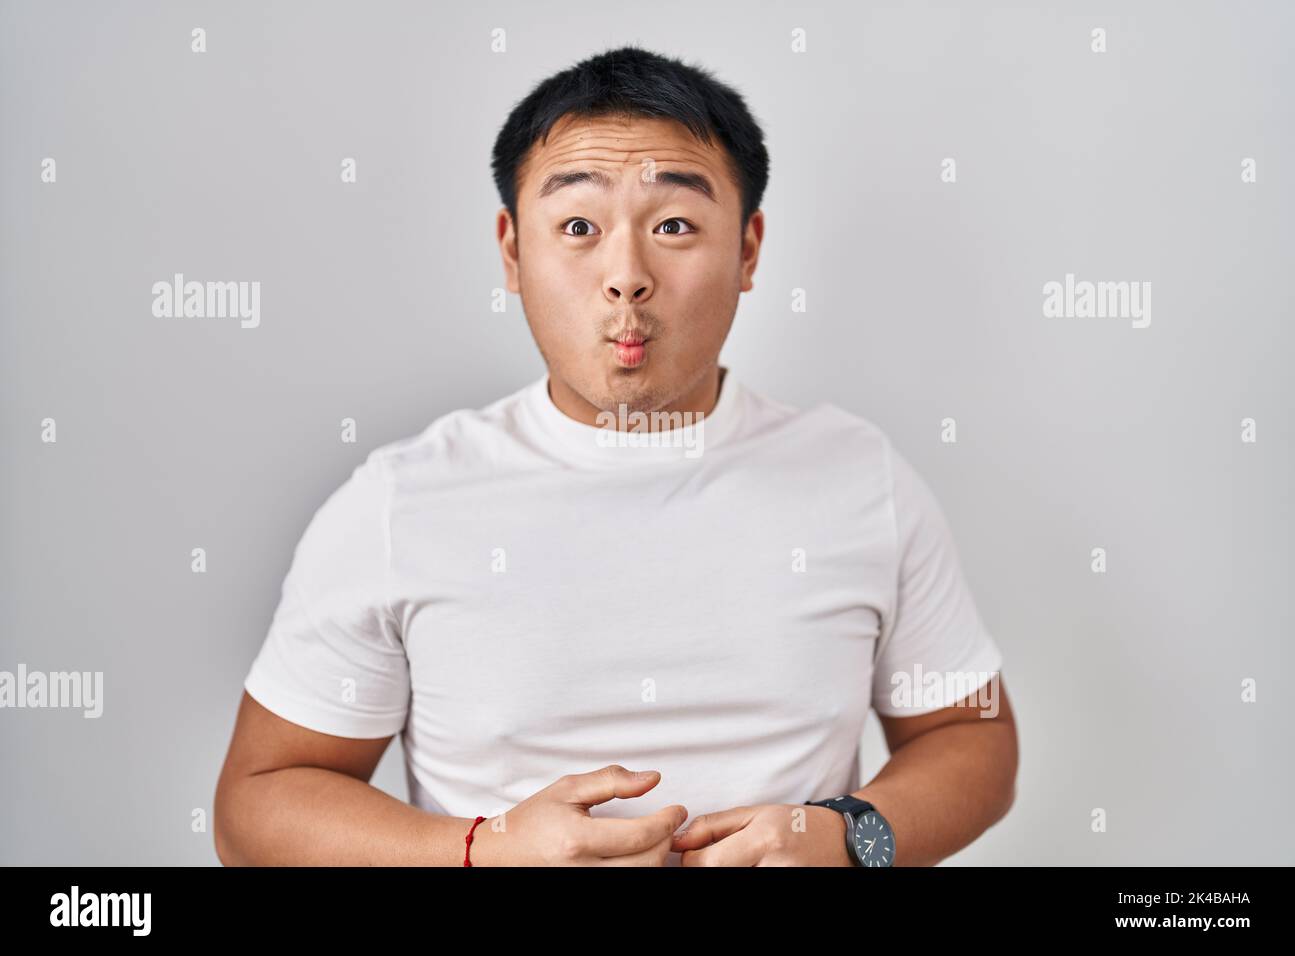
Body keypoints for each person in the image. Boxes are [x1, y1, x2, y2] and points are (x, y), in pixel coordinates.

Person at [214, 45, 1017, 867]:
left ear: (748, 249)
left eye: (674, 225)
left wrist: (848, 838)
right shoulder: (397, 503)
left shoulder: (858, 477)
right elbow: (256, 804)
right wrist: (479, 852)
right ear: (512, 252)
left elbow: (973, 740)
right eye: (577, 228)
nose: (625, 277)